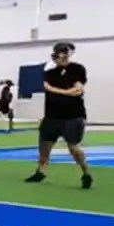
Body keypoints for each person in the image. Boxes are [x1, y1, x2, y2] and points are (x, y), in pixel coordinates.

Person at [26, 41, 92, 188]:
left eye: (65, 52)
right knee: (44, 147)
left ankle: (86, 173)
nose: (62, 56)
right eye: (60, 53)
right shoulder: (49, 72)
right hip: (51, 116)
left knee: (74, 148)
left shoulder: (77, 69)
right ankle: (40, 172)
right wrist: (67, 92)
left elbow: (78, 90)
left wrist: (56, 90)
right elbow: (48, 87)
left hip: (73, 116)